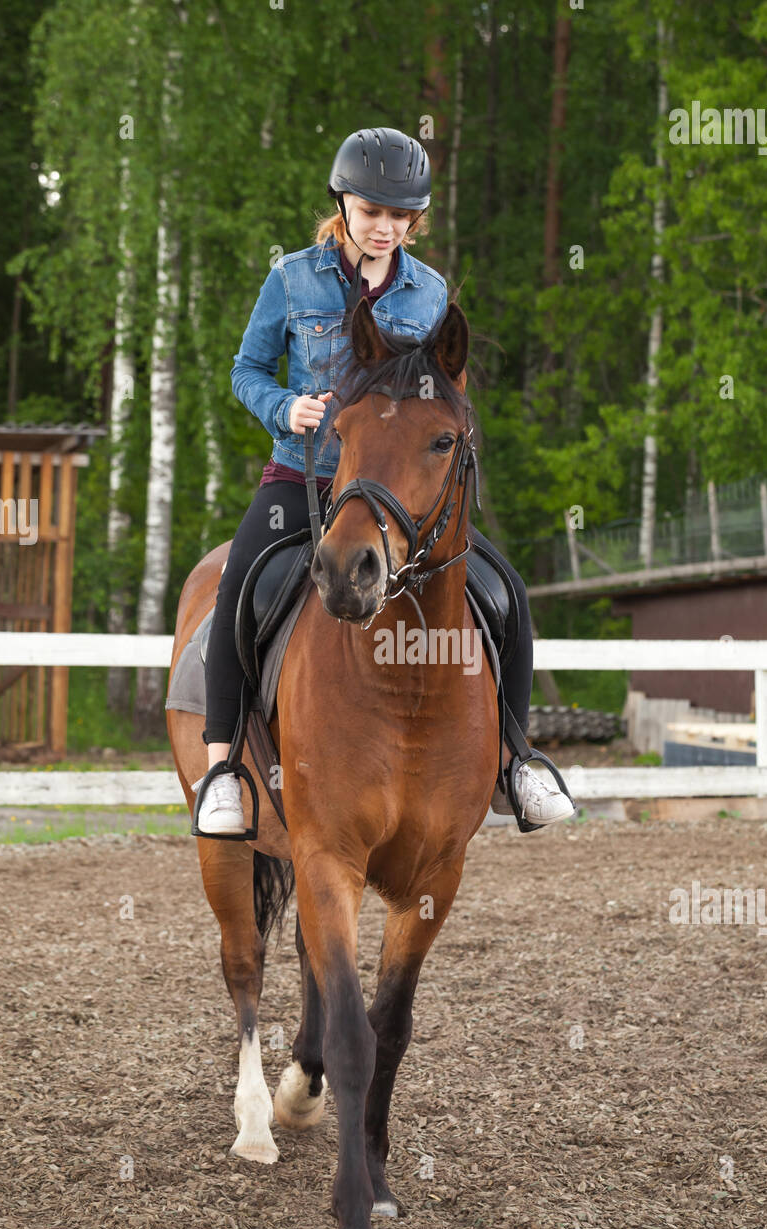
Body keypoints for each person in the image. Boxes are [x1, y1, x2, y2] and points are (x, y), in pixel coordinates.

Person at [196, 125, 575, 835]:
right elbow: (246, 370)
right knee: (238, 588)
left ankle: (515, 762)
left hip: (398, 494)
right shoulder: (291, 279)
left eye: (401, 216)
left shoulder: (429, 293)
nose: (385, 228)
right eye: (372, 211)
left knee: (509, 593)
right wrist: (284, 407)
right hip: (305, 475)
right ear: (342, 202)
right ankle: (223, 770)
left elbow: (444, 391)